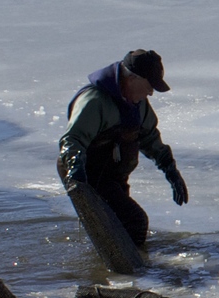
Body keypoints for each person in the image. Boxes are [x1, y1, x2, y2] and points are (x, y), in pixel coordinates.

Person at [58, 49, 188, 249]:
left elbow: (150, 138)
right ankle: (130, 276)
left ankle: (120, 266)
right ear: (132, 78)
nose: (151, 92)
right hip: (92, 179)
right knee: (136, 222)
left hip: (116, 180)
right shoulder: (95, 101)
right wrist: (76, 170)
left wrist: (171, 171)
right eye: (149, 85)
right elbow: (73, 139)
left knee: (124, 226)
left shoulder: (138, 105)